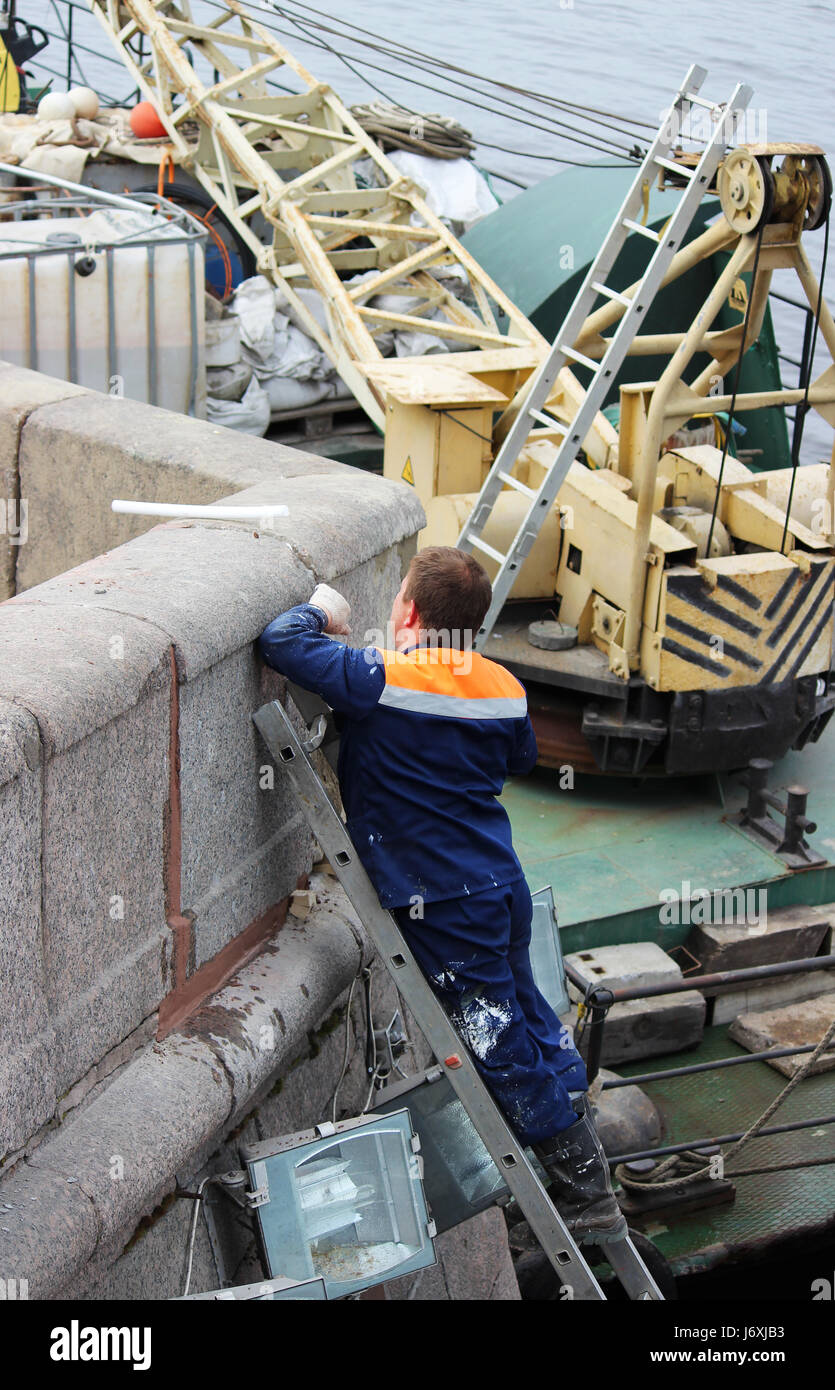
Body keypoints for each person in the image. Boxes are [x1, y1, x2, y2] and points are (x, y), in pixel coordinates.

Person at [258, 545, 625, 1241]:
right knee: (532, 1018)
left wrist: (325, 611)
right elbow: (517, 757)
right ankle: (582, 1147)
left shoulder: (378, 676)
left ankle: (585, 1191)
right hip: (499, 881)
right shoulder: (503, 687)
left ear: (410, 610)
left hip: (443, 898)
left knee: (495, 1040)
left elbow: (282, 642)